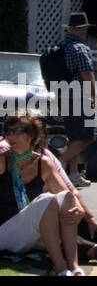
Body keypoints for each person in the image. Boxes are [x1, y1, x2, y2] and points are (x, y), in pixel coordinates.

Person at [0, 114, 84, 274]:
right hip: (4, 233)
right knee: (47, 199)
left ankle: (73, 266)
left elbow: (66, 195)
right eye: (8, 131)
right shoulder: (3, 160)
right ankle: (60, 267)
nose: (11, 136)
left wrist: (77, 207)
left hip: (27, 234)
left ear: (31, 135)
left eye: (17, 131)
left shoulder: (43, 162)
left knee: (66, 198)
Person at [52, 12, 97, 190]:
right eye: (84, 28)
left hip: (63, 95)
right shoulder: (80, 48)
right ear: (81, 29)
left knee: (73, 137)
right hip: (79, 96)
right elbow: (87, 74)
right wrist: (93, 96)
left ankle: (73, 174)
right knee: (87, 136)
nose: (85, 30)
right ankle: (57, 166)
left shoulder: (62, 46)